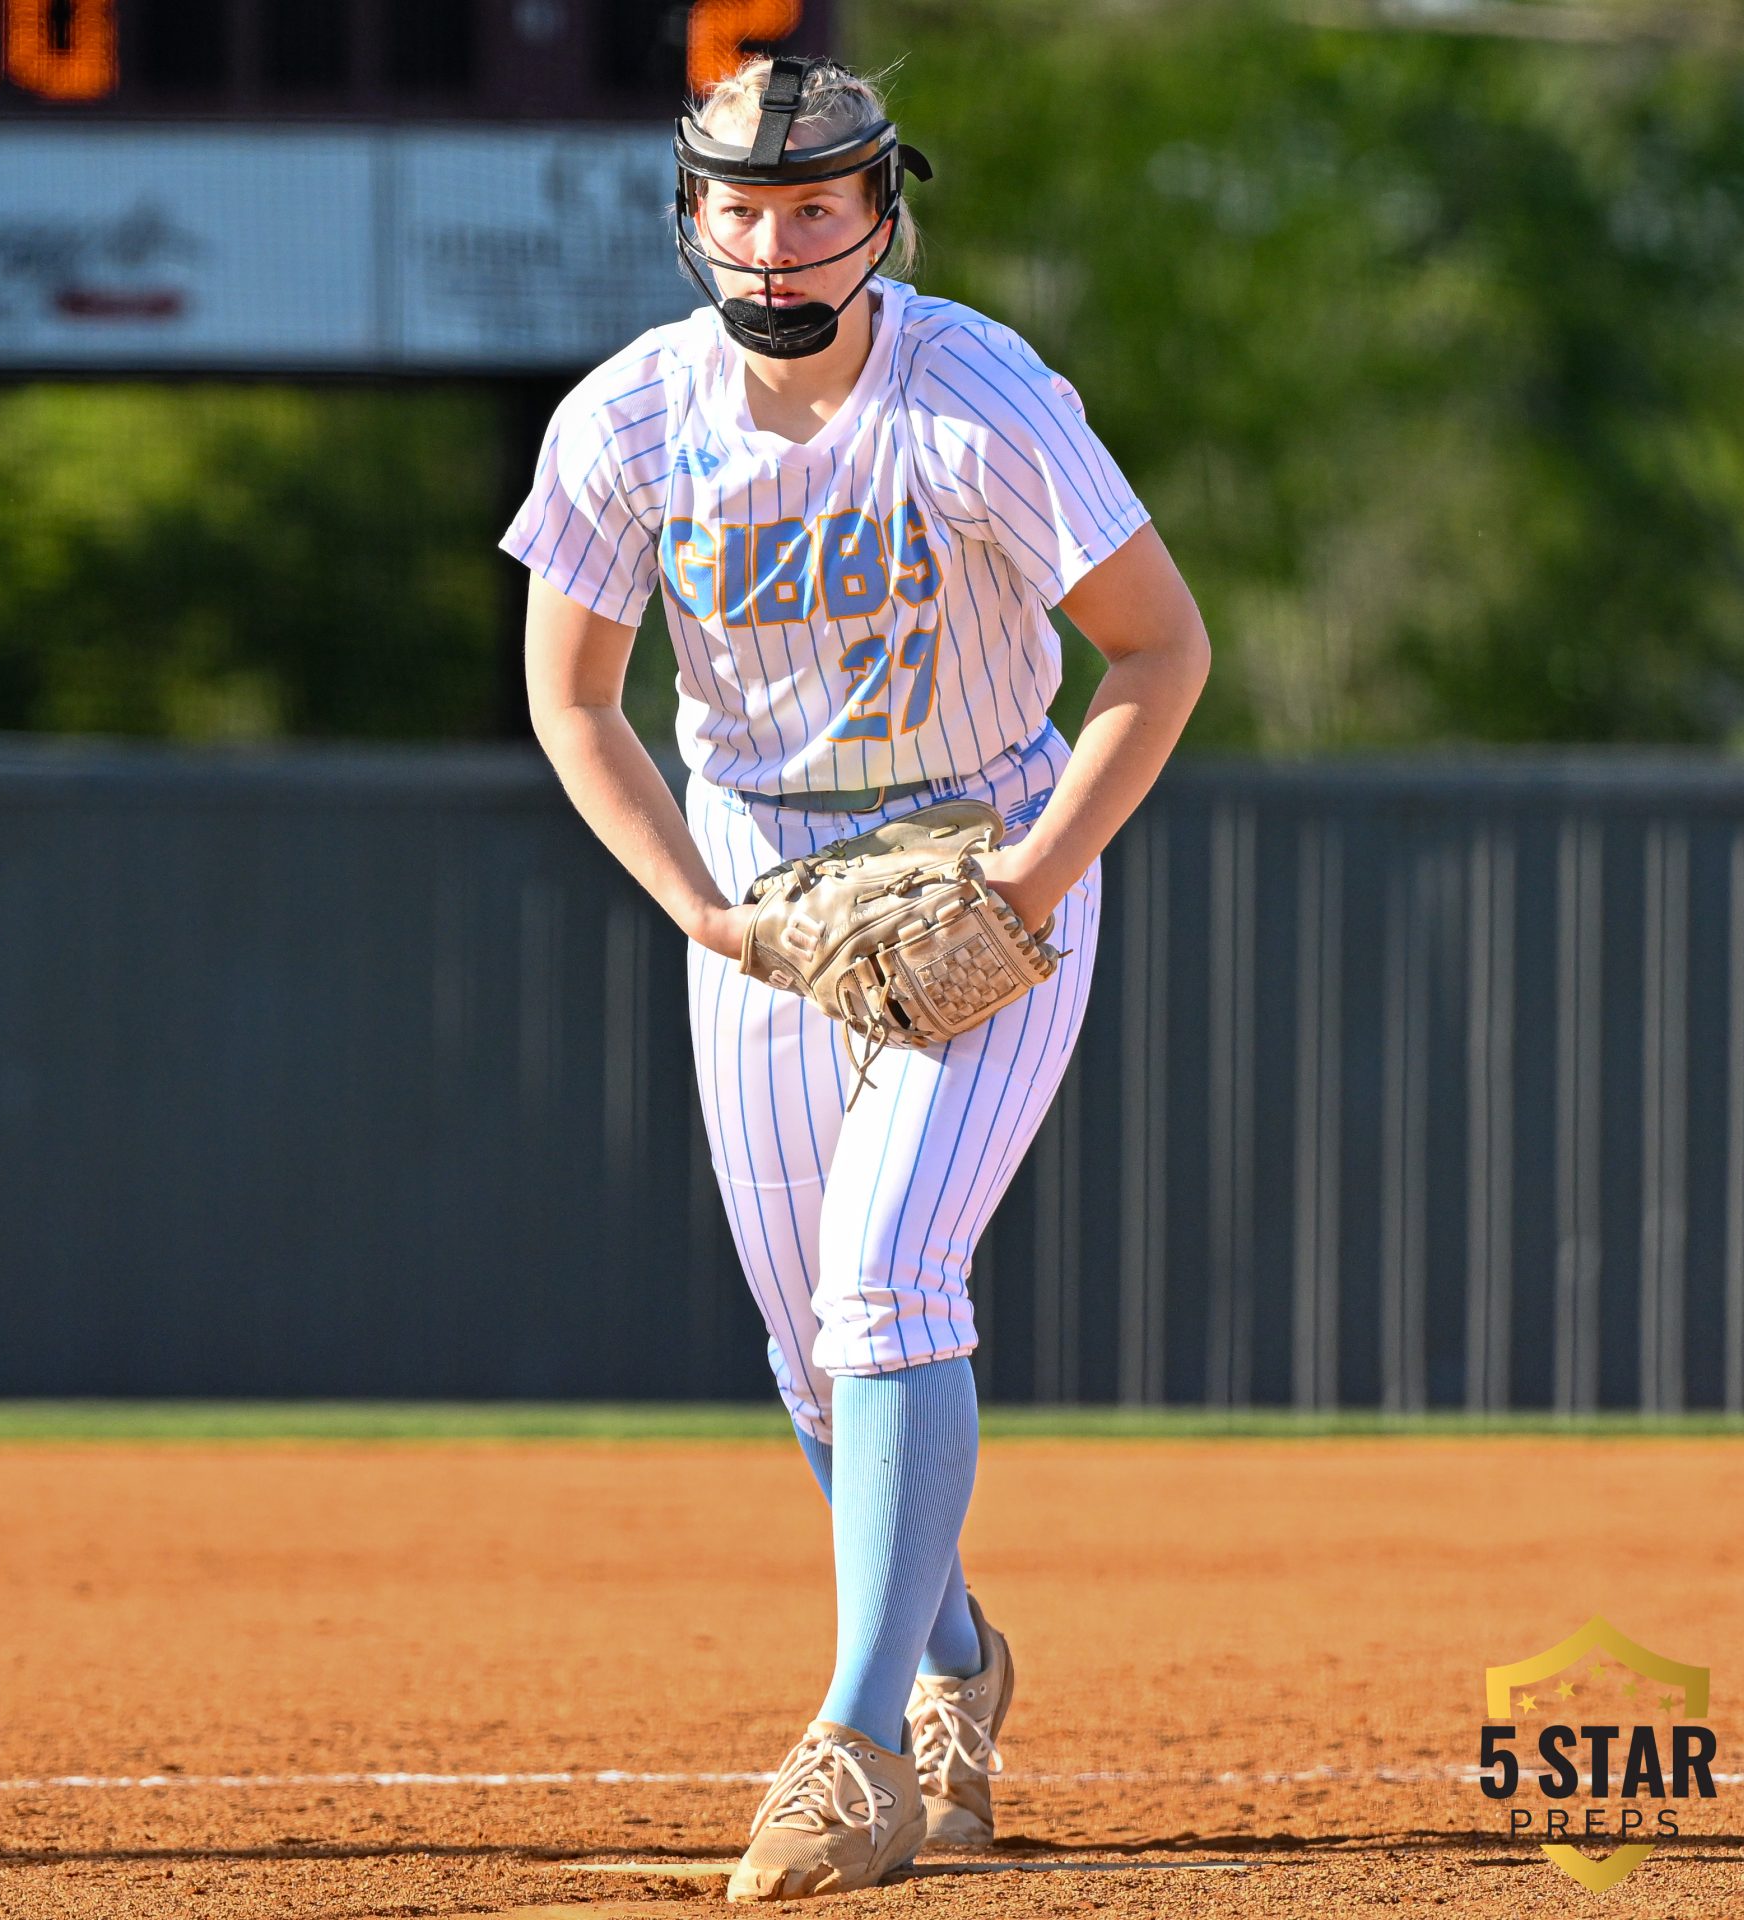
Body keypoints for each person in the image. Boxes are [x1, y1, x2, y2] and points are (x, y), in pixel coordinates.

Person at [501, 53, 1209, 1903]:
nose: (774, 238)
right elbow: (572, 698)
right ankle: (959, 1659)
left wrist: (1030, 888)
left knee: (890, 1277)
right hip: (761, 890)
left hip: (987, 854)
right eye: (739, 205)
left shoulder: (976, 389)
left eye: (813, 203)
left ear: (883, 207)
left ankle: (861, 1747)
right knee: (813, 1360)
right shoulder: (629, 417)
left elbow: (1160, 653)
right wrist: (700, 912)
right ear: (690, 217)